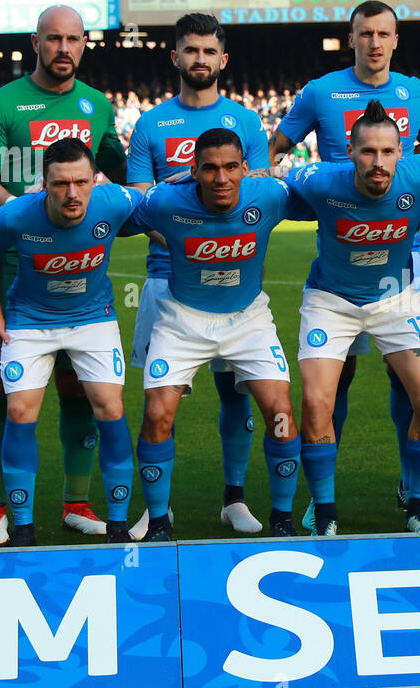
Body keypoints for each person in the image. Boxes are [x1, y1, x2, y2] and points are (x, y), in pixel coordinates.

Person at [269, 1, 420, 527]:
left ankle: (413, 489)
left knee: (410, 384)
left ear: (396, 40)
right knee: (332, 385)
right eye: (365, 33)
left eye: (383, 33)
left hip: (401, 255)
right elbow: (275, 148)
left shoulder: (414, 92)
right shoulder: (320, 91)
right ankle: (321, 497)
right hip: (339, 245)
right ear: (352, 38)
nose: (374, 42)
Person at [278, 101, 420, 535]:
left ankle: (419, 506)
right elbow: (265, 174)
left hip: (397, 298)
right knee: (317, 401)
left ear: (400, 153)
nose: (378, 162)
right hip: (330, 301)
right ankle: (325, 513)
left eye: (388, 152)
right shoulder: (319, 179)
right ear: (350, 152)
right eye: (368, 151)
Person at [0, 4, 128, 547]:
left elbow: (126, 174)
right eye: (53, 39)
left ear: (85, 44)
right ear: (35, 42)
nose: (64, 48)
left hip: (80, 278)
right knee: (2, 389)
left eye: (74, 40)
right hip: (17, 273)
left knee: (79, 388)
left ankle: (77, 503)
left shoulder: (98, 106)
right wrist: (28, 211)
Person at [125, 13, 269, 539]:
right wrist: (187, 241)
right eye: (191, 50)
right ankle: (154, 509)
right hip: (168, 281)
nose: (200, 59)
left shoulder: (247, 124)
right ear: (175, 57)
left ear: (223, 59)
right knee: (161, 399)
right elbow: (142, 205)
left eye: (210, 51)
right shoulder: (151, 125)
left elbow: (254, 197)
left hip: (234, 285)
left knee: (237, 394)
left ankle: (235, 499)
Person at [128, 129, 305, 540]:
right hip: (182, 319)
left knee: (280, 412)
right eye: (209, 168)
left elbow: (329, 196)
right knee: (157, 413)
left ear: (246, 169)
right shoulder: (165, 202)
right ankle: (157, 521)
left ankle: (282, 521)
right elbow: (111, 216)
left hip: (248, 318)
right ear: (193, 171)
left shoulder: (270, 196)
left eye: (230, 168)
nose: (221, 178)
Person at [0, 138, 142, 547]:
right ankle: (24, 529)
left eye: (82, 182)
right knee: (18, 410)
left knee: (111, 407)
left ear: (95, 179)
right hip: (29, 321)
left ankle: (117, 524)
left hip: (93, 319)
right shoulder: (16, 214)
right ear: (44, 184)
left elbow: (161, 208)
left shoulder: (116, 202)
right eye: (60, 184)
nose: (72, 193)